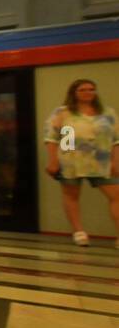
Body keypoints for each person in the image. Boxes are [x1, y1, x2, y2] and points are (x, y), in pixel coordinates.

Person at [44, 79, 118, 248]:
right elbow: (52, 138)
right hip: (71, 161)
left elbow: (116, 139)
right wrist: (53, 160)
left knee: (116, 195)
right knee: (72, 195)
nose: (88, 92)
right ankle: (79, 232)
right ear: (74, 93)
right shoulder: (64, 113)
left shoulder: (107, 113)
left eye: (91, 89)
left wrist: (116, 160)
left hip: (102, 162)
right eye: (83, 90)